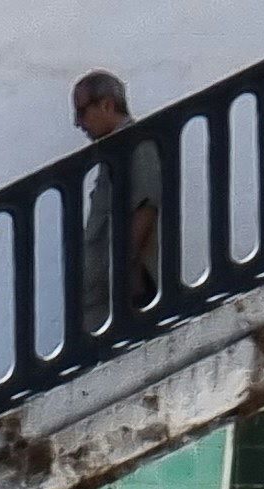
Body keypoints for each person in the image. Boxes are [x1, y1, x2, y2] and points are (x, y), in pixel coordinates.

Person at [72, 72, 162, 330]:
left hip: (121, 300)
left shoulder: (137, 145)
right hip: (103, 301)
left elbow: (145, 210)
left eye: (81, 112)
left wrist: (122, 274)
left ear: (107, 105)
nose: (78, 123)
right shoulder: (115, 152)